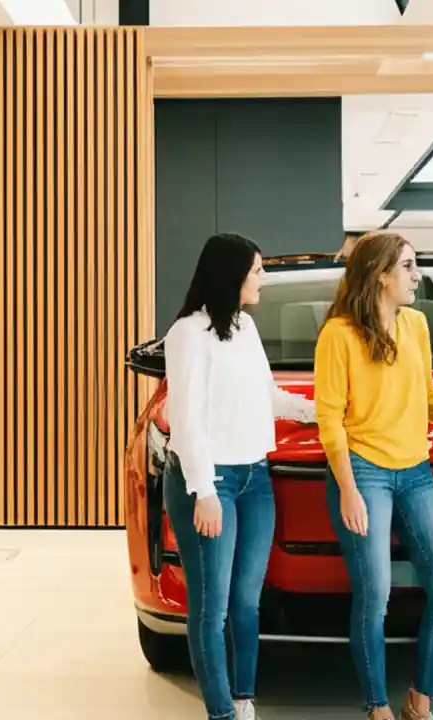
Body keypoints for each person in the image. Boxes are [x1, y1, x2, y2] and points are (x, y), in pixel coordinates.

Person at [313, 232, 433, 720]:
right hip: (363, 474)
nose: (417, 276)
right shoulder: (339, 334)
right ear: (380, 275)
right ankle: (377, 707)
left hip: (415, 471)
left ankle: (420, 699)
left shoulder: (415, 324)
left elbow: (431, 400)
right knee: (375, 595)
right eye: (409, 266)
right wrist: (348, 488)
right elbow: (328, 416)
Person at [162, 232, 316, 720]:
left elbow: (266, 396)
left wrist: (318, 411)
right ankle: (221, 712)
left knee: (247, 601)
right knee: (212, 608)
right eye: (257, 271)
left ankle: (243, 699)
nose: (263, 279)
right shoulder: (187, 333)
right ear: (232, 276)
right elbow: (184, 418)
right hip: (212, 485)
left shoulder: (245, 328)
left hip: (256, 479)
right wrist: (204, 491)